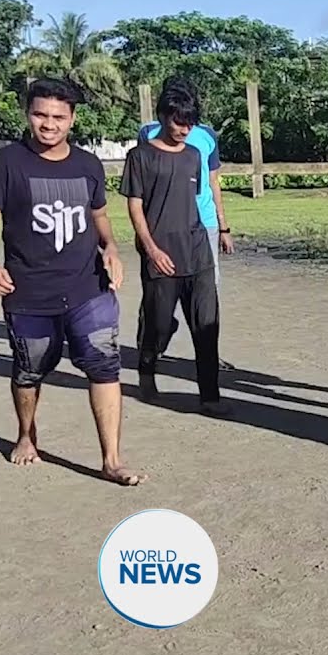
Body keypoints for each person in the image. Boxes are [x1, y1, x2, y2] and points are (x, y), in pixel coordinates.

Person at [0, 77, 145, 486]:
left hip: (89, 286)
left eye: (58, 117)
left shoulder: (88, 165)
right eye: (40, 115)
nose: (49, 124)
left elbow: (99, 215)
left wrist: (112, 248)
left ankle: (111, 459)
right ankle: (27, 435)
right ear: (28, 114)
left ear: (73, 118)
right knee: (30, 370)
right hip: (28, 291)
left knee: (104, 366)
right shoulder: (6, 163)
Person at [123, 85, 227, 415]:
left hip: (197, 251)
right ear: (164, 117)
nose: (184, 130)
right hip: (161, 254)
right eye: (179, 122)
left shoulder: (193, 156)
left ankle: (210, 396)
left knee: (207, 325)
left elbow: (198, 199)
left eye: (190, 123)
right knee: (157, 322)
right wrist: (151, 249)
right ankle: (146, 372)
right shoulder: (140, 156)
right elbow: (135, 206)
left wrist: (220, 228)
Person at [135, 77, 236, 370]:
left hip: (203, 223)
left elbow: (214, 181)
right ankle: (152, 344)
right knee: (158, 294)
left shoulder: (205, 136)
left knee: (207, 296)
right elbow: (141, 188)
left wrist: (223, 225)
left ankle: (208, 354)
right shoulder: (148, 134)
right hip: (163, 225)